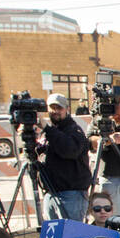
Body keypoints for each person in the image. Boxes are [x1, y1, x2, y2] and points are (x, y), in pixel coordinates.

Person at [36, 93, 92, 221]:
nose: (55, 111)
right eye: (52, 108)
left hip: (71, 195)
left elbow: (69, 150)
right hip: (51, 193)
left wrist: (47, 129)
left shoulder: (73, 130)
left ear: (67, 109)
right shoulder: (50, 132)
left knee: (70, 237)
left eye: (59, 108)